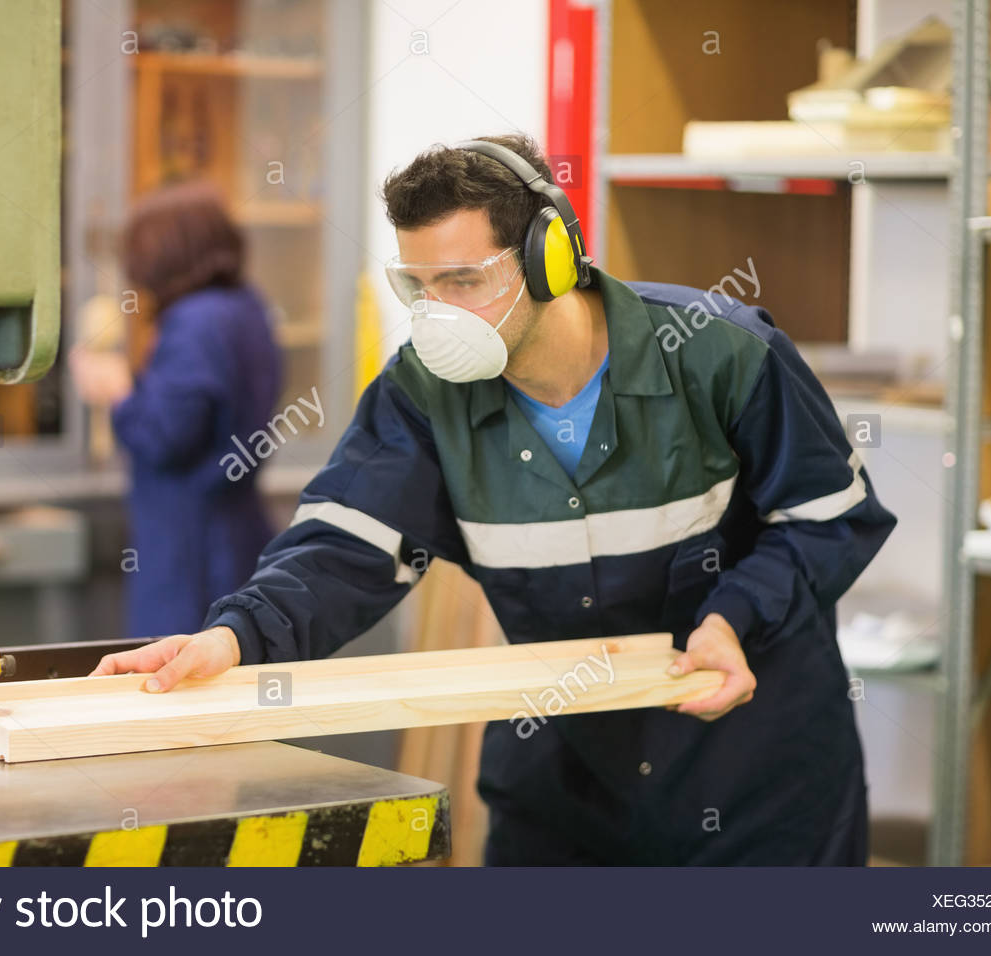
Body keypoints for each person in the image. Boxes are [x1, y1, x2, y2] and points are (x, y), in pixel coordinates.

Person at [91, 135, 897, 865]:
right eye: (419, 285)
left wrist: (733, 618)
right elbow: (345, 548)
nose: (438, 313)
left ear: (552, 257)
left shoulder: (721, 354)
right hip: (565, 785)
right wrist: (234, 638)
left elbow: (831, 519)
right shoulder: (422, 393)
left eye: (465, 280)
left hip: (755, 786)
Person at [71, 181, 283, 639]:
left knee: (180, 675)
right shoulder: (246, 307)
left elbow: (167, 436)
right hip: (236, 528)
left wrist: (118, 390)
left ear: (166, 253)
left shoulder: (195, 322)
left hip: (190, 549)